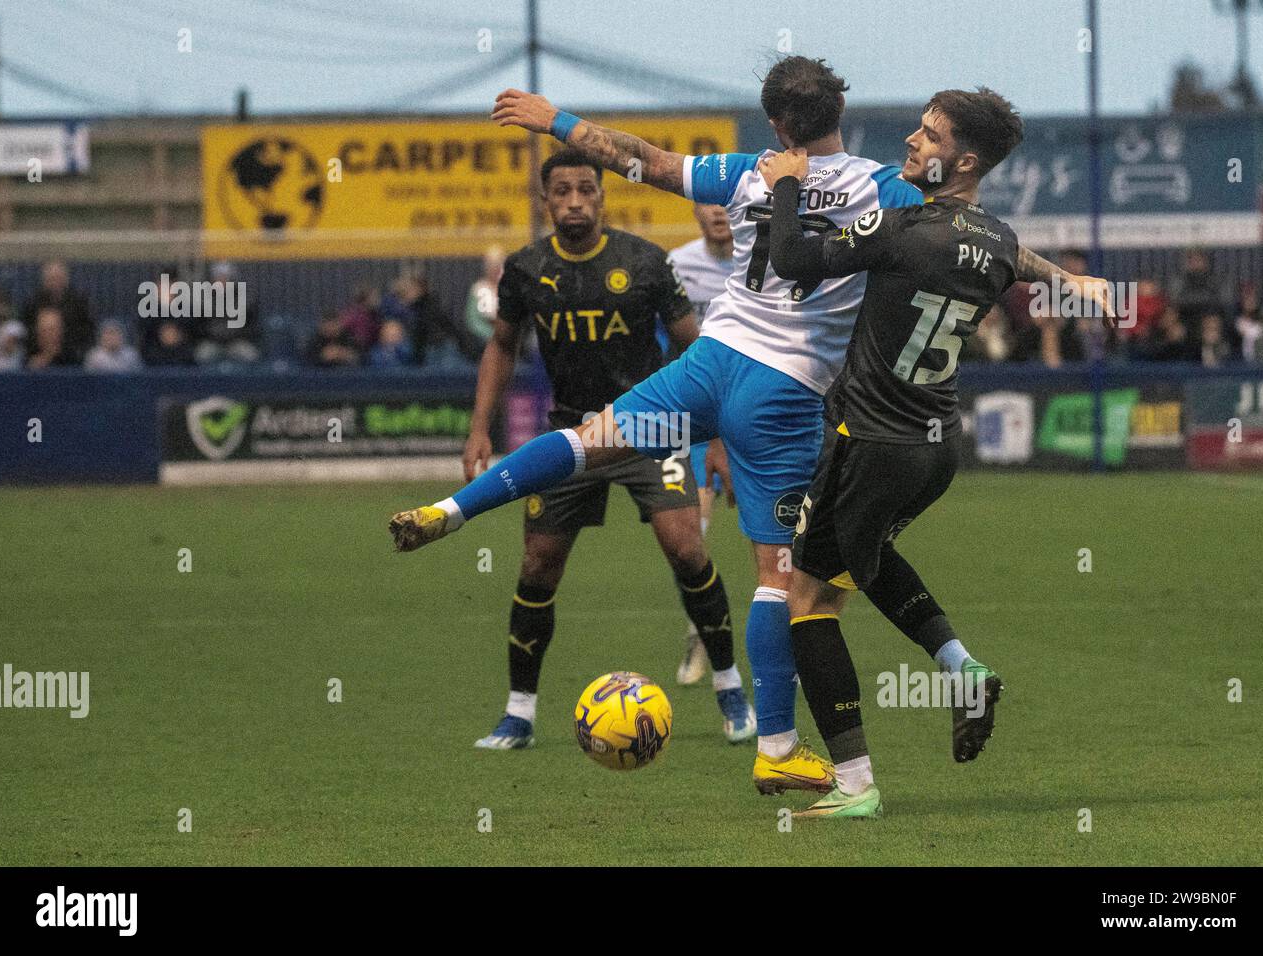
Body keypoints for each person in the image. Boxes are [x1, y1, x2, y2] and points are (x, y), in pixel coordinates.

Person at [389, 57, 1106, 796]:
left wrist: (557, 121)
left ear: (776, 124)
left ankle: (451, 509)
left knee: (585, 440)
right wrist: (1071, 282)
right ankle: (778, 746)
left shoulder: (748, 170)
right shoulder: (883, 186)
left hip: (709, 362)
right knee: (780, 579)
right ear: (840, 114)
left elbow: (643, 160)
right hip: (783, 394)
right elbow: (984, 239)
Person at [762, 88, 1111, 817]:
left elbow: (791, 255)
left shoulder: (900, 230)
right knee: (869, 557)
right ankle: (963, 668)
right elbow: (1019, 256)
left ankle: (855, 786)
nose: (915, 143)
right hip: (934, 449)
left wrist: (785, 182)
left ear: (965, 160)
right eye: (920, 129)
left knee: (809, 598)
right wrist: (1071, 280)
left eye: (931, 136)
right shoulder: (992, 239)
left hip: (871, 444)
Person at [429, 149, 752, 751]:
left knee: (686, 547)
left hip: (654, 426)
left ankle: (731, 688)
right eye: (563, 192)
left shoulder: (647, 262)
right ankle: (519, 713)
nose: (575, 201)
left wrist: (716, 438)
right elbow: (501, 347)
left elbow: (697, 350)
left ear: (603, 197)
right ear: (545, 200)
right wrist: (479, 428)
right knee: (537, 565)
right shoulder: (525, 271)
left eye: (586, 190)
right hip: (572, 436)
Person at [665, 202, 735, 686]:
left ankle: (797, 645)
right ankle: (700, 641)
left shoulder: (765, 259)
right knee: (694, 537)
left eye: (727, 206)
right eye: (709, 207)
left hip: (756, 409)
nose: (719, 214)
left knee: (781, 537)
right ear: (695, 214)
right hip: (699, 416)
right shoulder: (677, 265)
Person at [23, 261, 93, 357]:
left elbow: (87, 331)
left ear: (66, 279)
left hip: (72, 355)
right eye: (51, 278)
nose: (55, 282)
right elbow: (27, 330)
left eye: (59, 278)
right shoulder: (33, 303)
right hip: (38, 355)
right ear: (45, 281)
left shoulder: (79, 303)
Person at [464, 247, 505, 347]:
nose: (495, 270)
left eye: (499, 266)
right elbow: (472, 321)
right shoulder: (478, 289)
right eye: (492, 266)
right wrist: (492, 336)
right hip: (483, 340)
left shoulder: (509, 290)